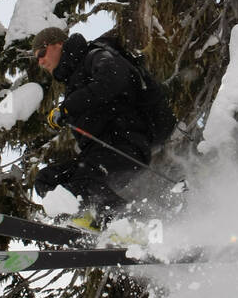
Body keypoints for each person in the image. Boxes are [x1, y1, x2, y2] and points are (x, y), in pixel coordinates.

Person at [30, 27, 153, 223]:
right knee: (46, 179)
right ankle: (86, 221)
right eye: (37, 58)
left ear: (58, 44)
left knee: (86, 181)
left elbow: (113, 78)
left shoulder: (94, 55)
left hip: (124, 145)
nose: (40, 61)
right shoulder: (73, 80)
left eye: (42, 53)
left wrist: (68, 108)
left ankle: (135, 224)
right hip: (96, 154)